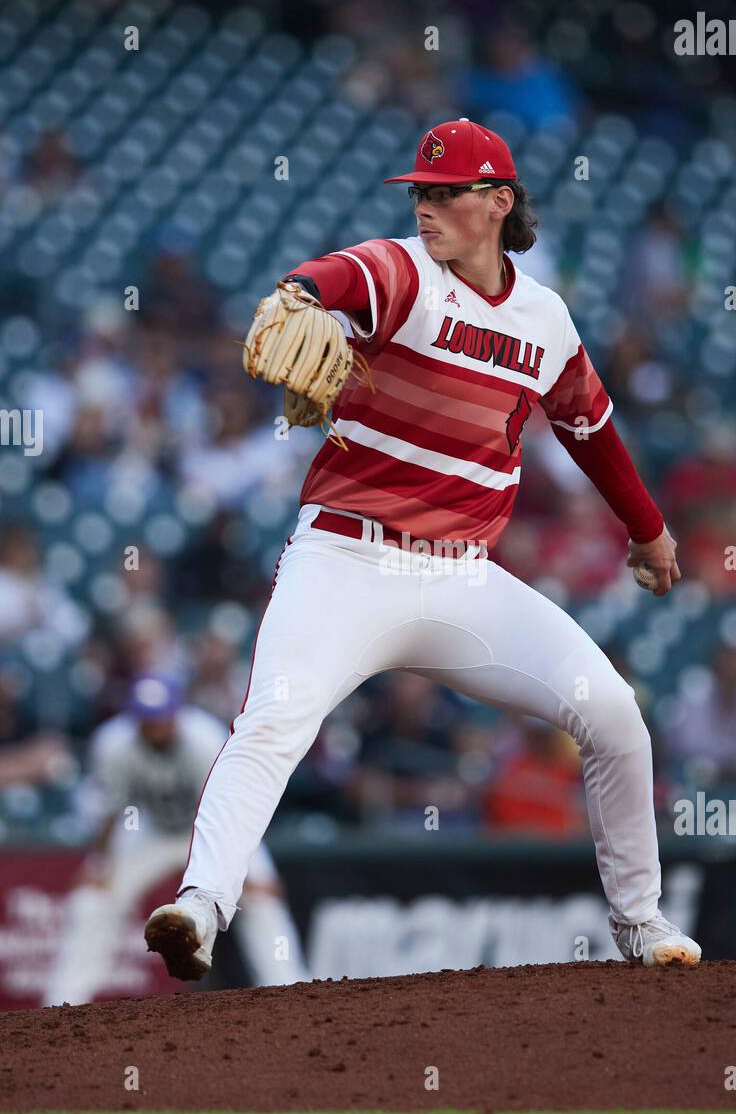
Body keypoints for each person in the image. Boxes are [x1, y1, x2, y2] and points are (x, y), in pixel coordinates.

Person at [145, 118, 701, 976]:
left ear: (499, 202)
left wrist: (649, 527)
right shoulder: (403, 270)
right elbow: (334, 276)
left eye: (446, 193)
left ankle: (641, 923)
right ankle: (202, 905)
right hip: (344, 561)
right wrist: (298, 293)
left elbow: (588, 426)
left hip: (460, 581)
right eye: (421, 193)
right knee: (272, 723)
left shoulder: (544, 318)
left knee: (616, 716)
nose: (428, 206)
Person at [44, 675, 308, 1005]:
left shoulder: (204, 738)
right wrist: (100, 864)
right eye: (146, 720)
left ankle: (291, 990)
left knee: (262, 898)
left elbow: (234, 808)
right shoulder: (114, 744)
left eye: (160, 718)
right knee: (94, 898)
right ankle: (64, 1001)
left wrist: (253, 872)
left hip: (214, 829)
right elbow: (112, 810)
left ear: (177, 713)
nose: (154, 727)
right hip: (149, 831)